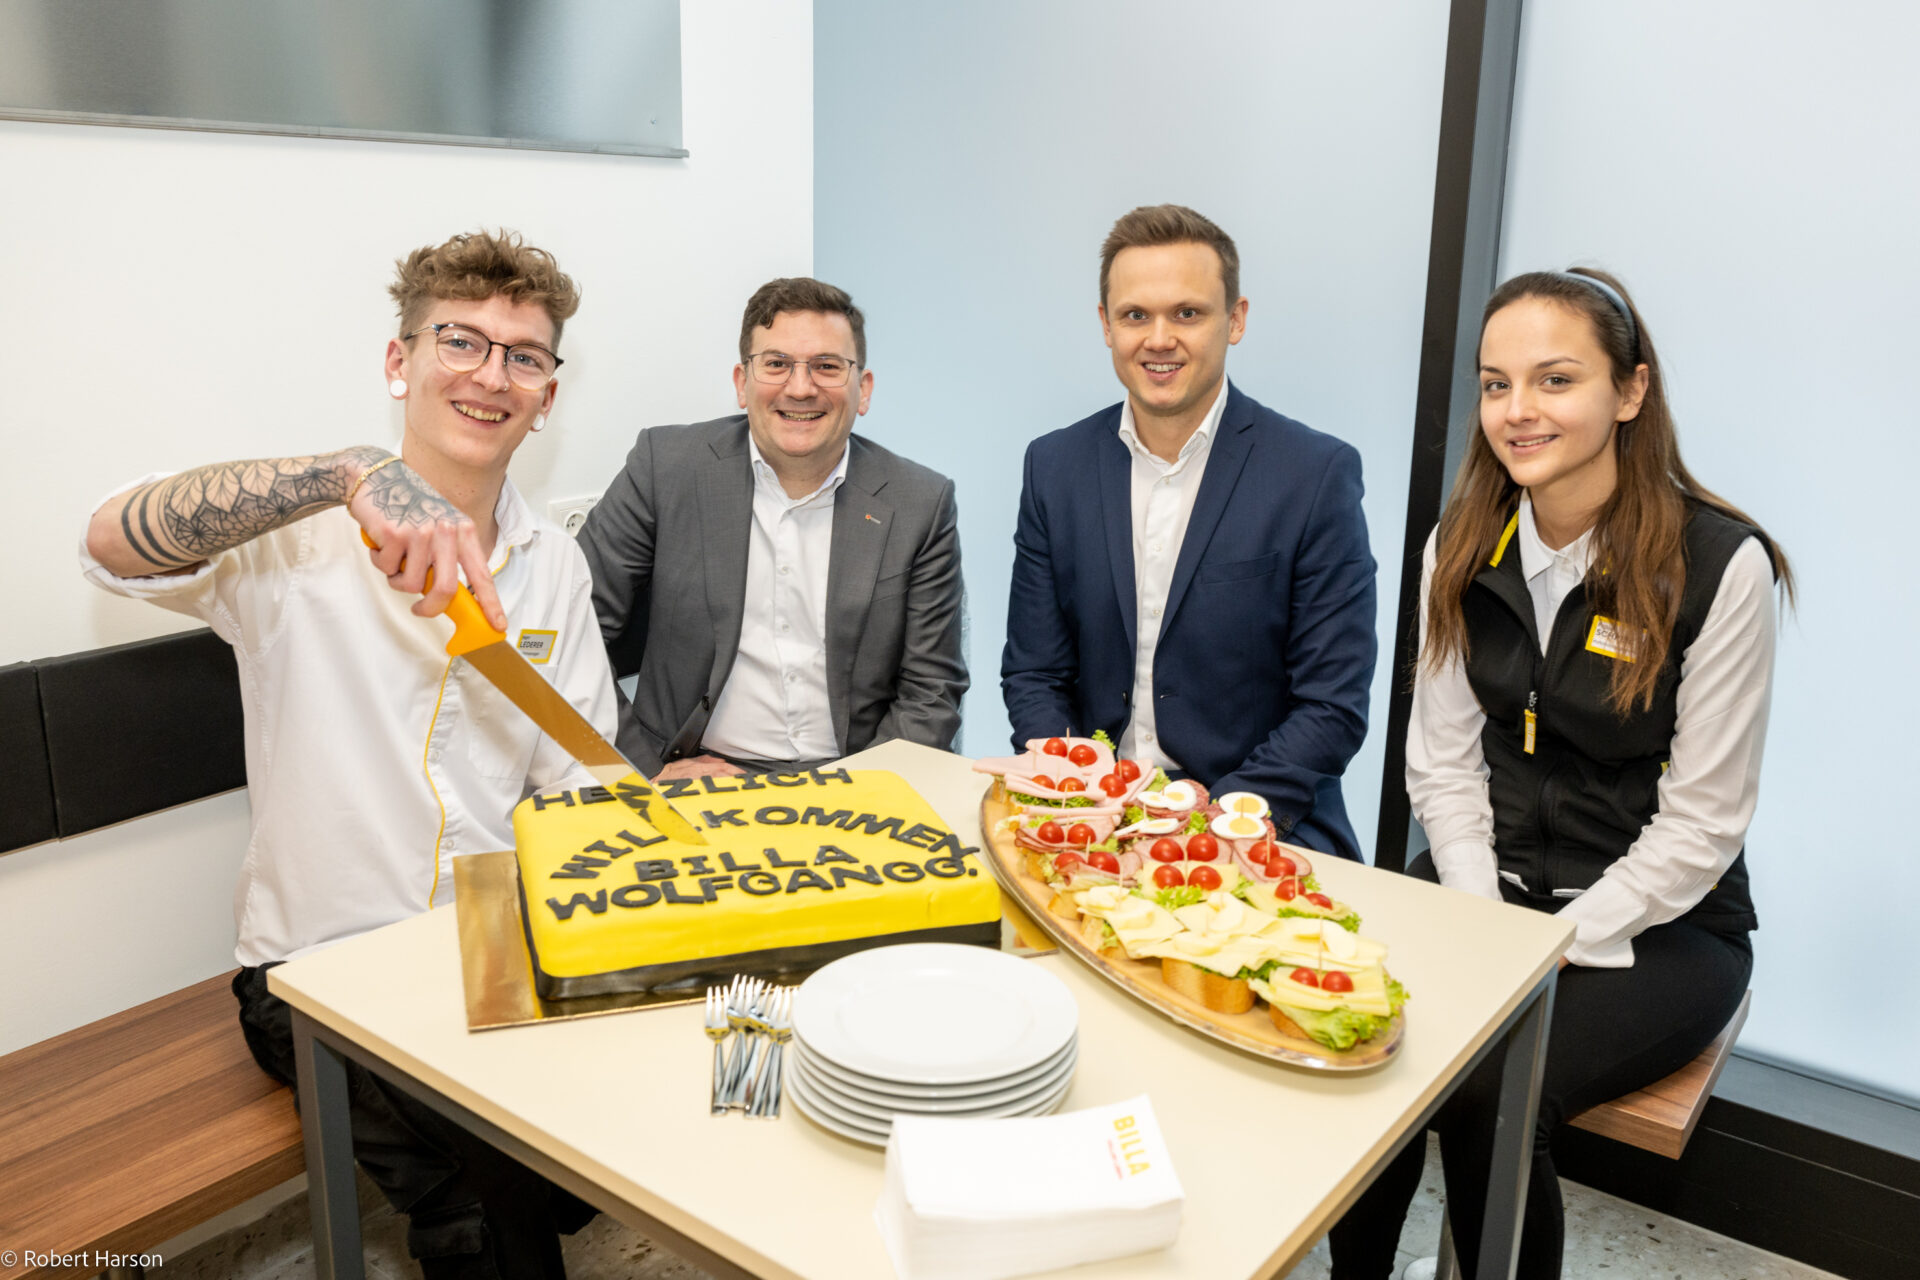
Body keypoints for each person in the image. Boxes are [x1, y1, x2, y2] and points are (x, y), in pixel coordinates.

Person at [81, 230, 611, 1278]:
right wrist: (347, 473)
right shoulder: (294, 538)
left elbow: (576, 780)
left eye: (523, 356)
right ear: (399, 361)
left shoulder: (554, 562)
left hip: (489, 947)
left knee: (591, 1151)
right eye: (459, 341)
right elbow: (108, 540)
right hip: (318, 972)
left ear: (547, 396)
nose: (490, 374)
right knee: (486, 1200)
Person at [1328, 268, 1789, 1279]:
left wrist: (1548, 945)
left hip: (1664, 924)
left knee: (1494, 1089)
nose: (1518, 410)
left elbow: (1704, 823)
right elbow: (1442, 762)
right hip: (1485, 887)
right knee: (1365, 1037)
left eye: (1555, 379)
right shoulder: (1462, 543)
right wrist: (1483, 913)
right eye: (1497, 384)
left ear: (1631, 390)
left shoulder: (1722, 565)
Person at [1000, 204, 1378, 859]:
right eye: (1135, 315)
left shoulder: (1313, 474)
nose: (1159, 338)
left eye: (1187, 313)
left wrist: (1204, 829)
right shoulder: (1054, 467)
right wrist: (1082, 799)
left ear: (1236, 319)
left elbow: (1331, 704)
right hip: (1093, 818)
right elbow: (1035, 673)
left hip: (1252, 822)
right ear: (1105, 324)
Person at [576, 276, 968, 779]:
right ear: (742, 383)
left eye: (827, 366)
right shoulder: (664, 467)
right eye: (777, 363)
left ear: (863, 389)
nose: (800, 388)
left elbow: (931, 690)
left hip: (854, 776)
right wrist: (645, 772)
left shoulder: (920, 503)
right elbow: (573, 632)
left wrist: (859, 793)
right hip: (688, 772)